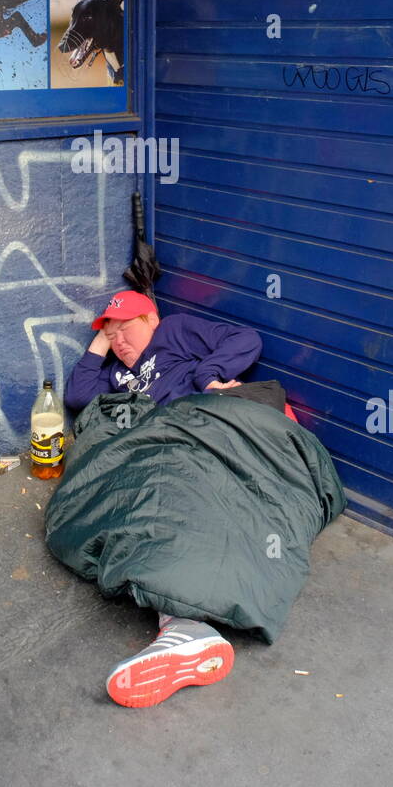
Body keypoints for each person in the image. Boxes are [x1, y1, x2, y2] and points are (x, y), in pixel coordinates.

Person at [64, 289, 264, 709]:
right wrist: (101, 344)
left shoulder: (173, 331)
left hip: (195, 431)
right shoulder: (115, 376)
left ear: (152, 320)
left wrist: (209, 374)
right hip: (153, 448)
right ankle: (184, 623)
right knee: (129, 508)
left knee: (169, 501)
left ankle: (184, 624)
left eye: (127, 328)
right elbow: (79, 397)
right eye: (111, 335)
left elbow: (246, 339)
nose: (119, 341)